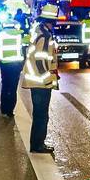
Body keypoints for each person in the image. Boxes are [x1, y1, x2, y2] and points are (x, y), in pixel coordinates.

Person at [22, 20, 59, 154]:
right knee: (41, 115)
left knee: (39, 114)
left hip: (36, 81)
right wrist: (47, 80)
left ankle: (36, 143)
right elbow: (40, 61)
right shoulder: (45, 36)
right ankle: (38, 145)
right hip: (40, 83)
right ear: (51, 23)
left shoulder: (37, 32)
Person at [0, 18, 26, 117]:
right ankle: (10, 111)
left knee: (5, 86)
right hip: (16, 65)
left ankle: (3, 109)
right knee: (13, 88)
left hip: (4, 64)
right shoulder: (19, 34)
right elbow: (27, 42)